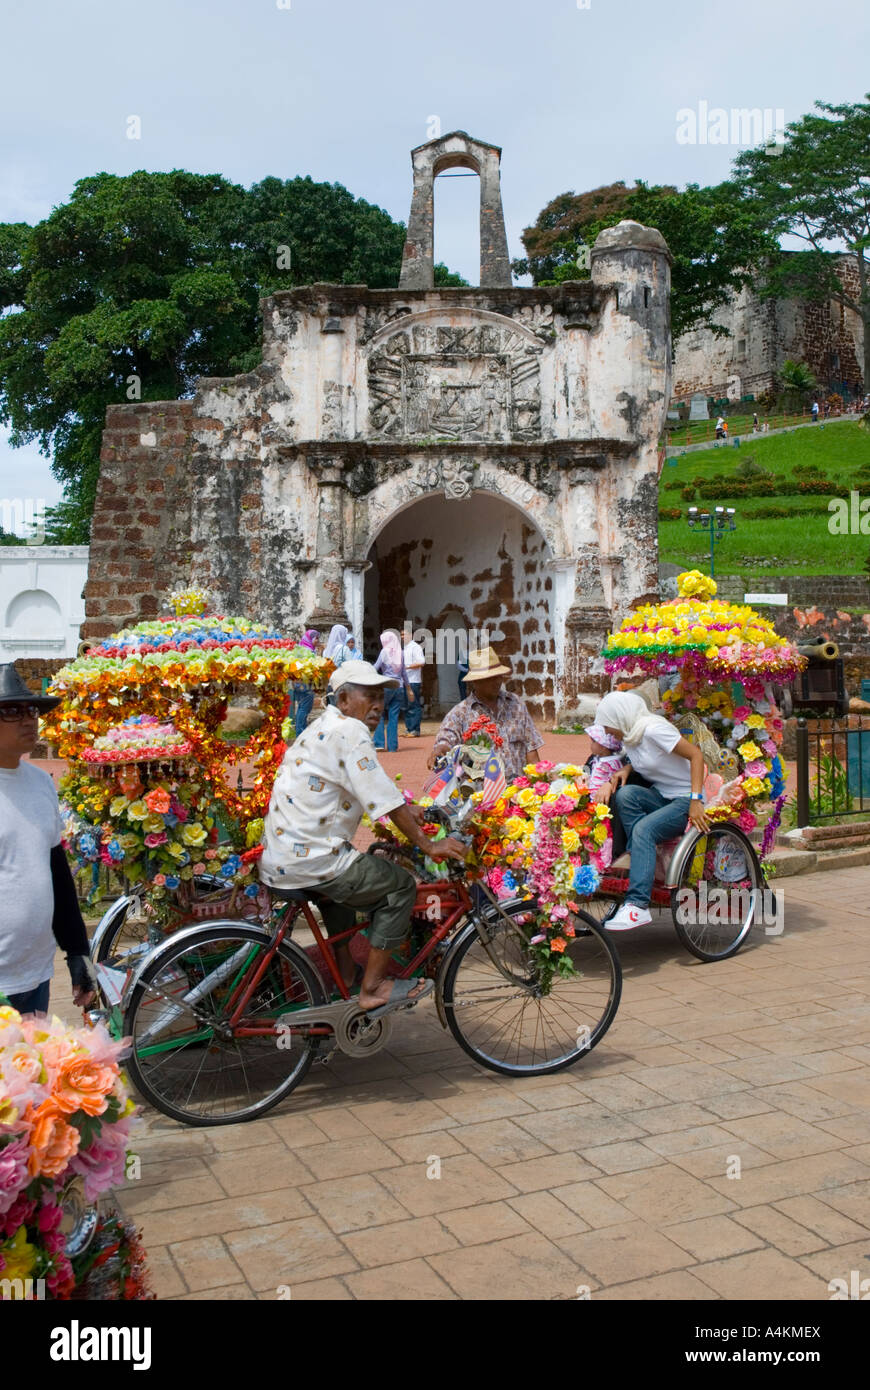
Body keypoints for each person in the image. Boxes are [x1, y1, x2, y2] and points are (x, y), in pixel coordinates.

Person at [259, 660, 466, 1013]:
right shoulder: (350, 732)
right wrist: (429, 845)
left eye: (381, 697)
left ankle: (346, 969)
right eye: (368, 696)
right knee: (400, 885)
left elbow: (372, 789)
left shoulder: (321, 726)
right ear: (343, 700)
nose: (378, 705)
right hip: (313, 859)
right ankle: (373, 987)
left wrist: (408, 811)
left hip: (284, 857)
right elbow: (383, 798)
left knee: (339, 891)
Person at [0, 664, 97, 1014]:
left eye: (31, 710)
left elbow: (56, 870)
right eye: (12, 711)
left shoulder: (41, 784)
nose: (28, 719)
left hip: (34, 974)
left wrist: (76, 951)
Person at [592, 691, 710, 931]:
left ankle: (637, 905)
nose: (606, 733)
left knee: (644, 830)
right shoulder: (631, 735)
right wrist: (626, 769)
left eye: (607, 726)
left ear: (620, 718)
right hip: (661, 795)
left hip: (684, 798)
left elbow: (696, 755)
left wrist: (695, 799)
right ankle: (639, 855)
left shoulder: (654, 729)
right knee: (625, 795)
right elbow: (647, 757)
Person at [427, 646, 543, 781]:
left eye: (499, 676)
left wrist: (538, 785)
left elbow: (531, 749)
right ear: (475, 681)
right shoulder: (460, 713)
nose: (497, 682)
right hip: (481, 796)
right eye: (490, 678)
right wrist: (439, 751)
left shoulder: (516, 704)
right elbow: (445, 742)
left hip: (518, 791)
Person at [372, 630, 408, 752]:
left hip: (387, 686)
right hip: (399, 687)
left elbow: (376, 667)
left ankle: (379, 742)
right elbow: (404, 673)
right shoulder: (401, 652)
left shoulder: (384, 652)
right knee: (394, 717)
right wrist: (408, 688)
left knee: (379, 713)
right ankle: (392, 746)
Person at [292, 629, 321, 738]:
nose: (317, 641)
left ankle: (300, 731)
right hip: (304, 682)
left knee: (301, 707)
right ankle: (300, 732)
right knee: (304, 707)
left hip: (298, 682)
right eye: (316, 638)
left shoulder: (301, 649)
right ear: (310, 639)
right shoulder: (308, 651)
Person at [402, 630, 425, 737]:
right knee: (406, 705)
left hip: (413, 680)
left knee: (414, 704)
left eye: (404, 634)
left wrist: (406, 667)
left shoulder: (415, 647)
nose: (402, 637)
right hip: (405, 680)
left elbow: (421, 662)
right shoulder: (405, 648)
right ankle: (409, 728)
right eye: (401, 635)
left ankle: (415, 729)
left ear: (410, 636)